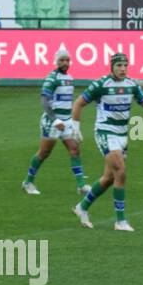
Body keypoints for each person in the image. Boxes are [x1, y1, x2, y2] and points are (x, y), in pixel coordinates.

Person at [70, 53, 143, 232]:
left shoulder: (131, 85)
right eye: (119, 65)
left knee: (109, 178)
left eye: (125, 65)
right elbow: (78, 103)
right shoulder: (101, 84)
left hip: (122, 134)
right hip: (105, 132)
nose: (123, 68)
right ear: (112, 67)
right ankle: (121, 221)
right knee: (121, 172)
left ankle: (82, 207)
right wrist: (75, 128)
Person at [22, 49, 89, 197]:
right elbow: (44, 101)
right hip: (52, 122)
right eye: (62, 60)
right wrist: (55, 119)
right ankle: (28, 182)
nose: (65, 63)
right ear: (56, 62)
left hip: (66, 121)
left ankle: (81, 186)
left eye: (67, 60)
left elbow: (66, 103)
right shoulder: (52, 78)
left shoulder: (69, 78)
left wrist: (71, 122)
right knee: (44, 153)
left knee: (75, 149)